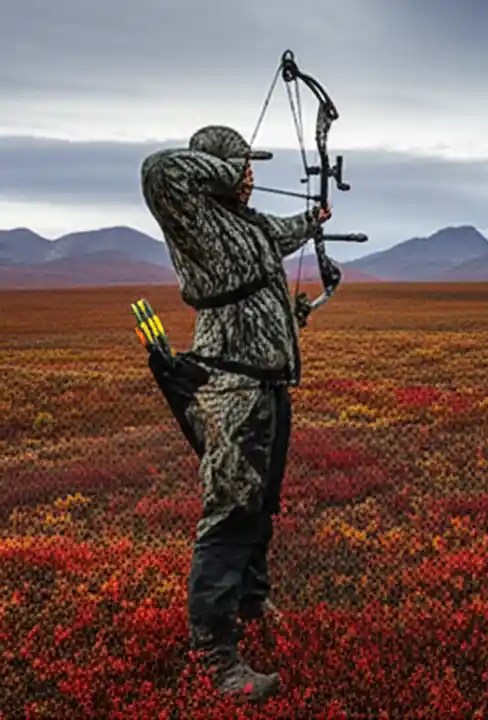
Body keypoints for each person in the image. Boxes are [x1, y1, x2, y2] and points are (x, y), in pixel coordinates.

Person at [139, 125, 331, 702]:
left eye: (251, 167)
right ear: (217, 169)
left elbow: (281, 233)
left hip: (268, 384)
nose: (251, 176)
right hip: (232, 389)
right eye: (241, 167)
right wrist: (223, 168)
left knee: (262, 501)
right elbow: (159, 170)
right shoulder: (196, 219)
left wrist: (315, 219)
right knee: (230, 512)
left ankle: (250, 600)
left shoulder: (246, 224)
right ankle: (214, 655)